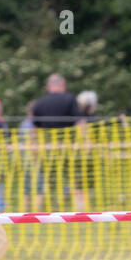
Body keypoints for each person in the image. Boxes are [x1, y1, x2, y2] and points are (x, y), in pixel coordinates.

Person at [32, 73, 81, 210]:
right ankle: (81, 212)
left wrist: (34, 148)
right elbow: (79, 123)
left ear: (49, 86)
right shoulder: (70, 99)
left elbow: (34, 129)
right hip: (68, 148)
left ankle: (39, 211)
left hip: (46, 149)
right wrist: (83, 143)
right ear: (63, 84)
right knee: (75, 179)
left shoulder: (39, 103)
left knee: (45, 180)